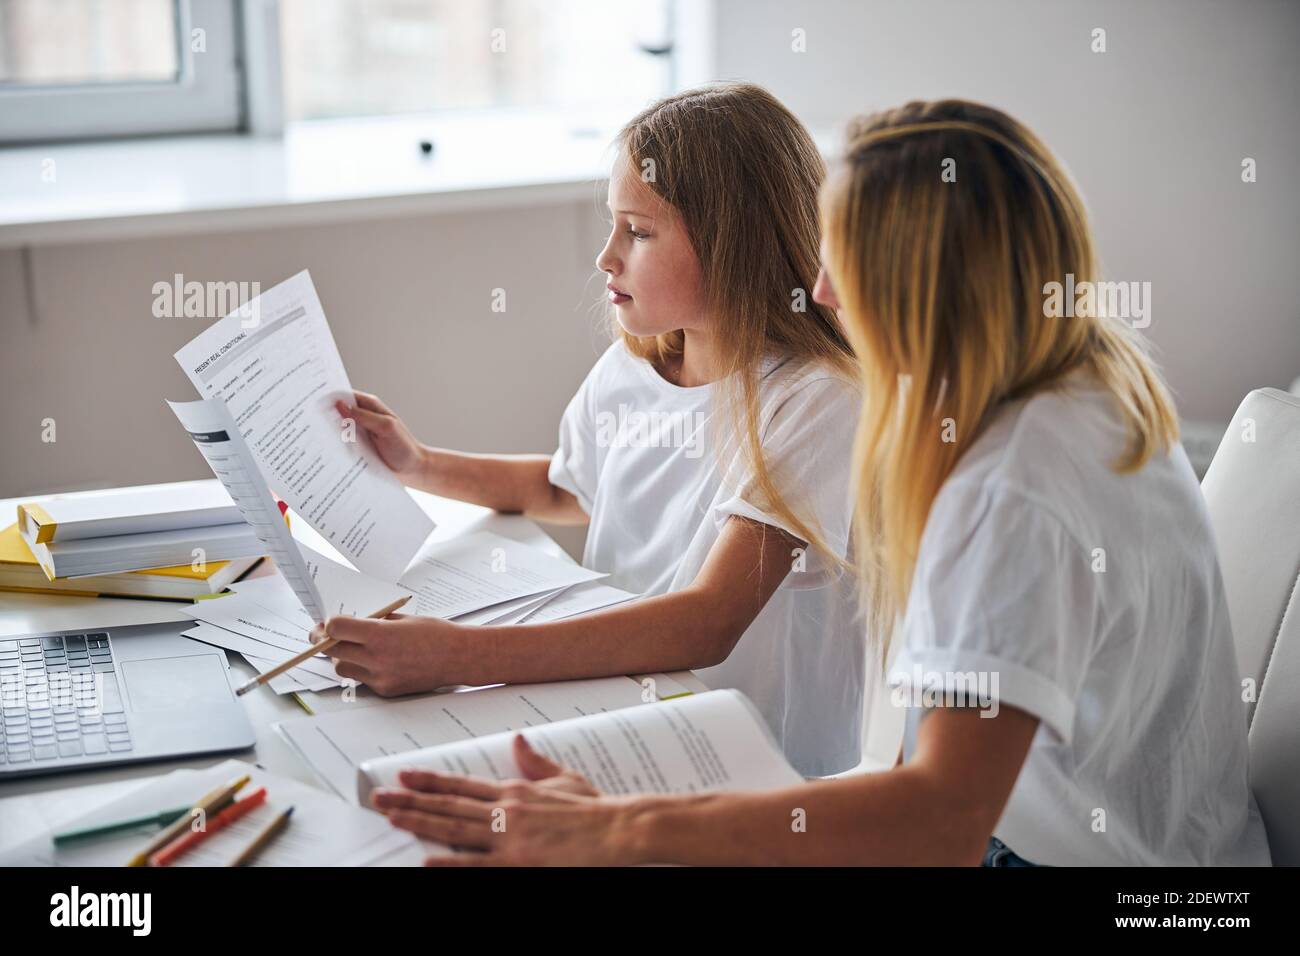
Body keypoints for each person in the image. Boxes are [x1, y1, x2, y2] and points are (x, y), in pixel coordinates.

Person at [371, 99, 1271, 866]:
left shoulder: (1007, 488)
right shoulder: (1084, 377)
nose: (823, 290)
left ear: (922, 289)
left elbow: (941, 822)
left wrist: (621, 829)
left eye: (846, 259)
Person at [316, 83, 865, 777]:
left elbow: (707, 622)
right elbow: (563, 487)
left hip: (748, 770)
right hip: (615, 718)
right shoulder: (635, 369)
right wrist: (419, 462)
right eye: (613, 225)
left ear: (734, 244)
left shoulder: (816, 402)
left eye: (637, 232)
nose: (606, 256)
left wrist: (459, 655)